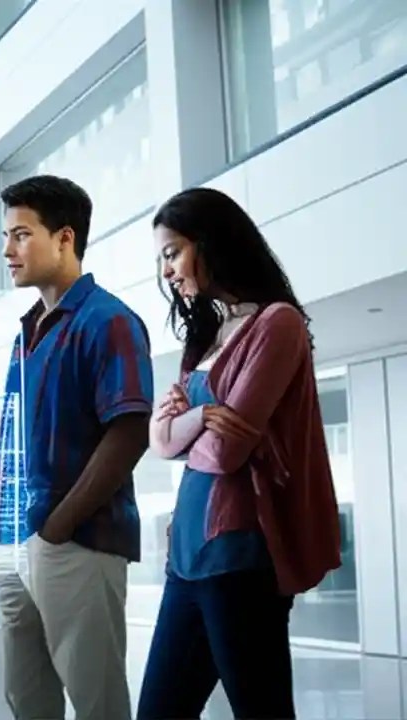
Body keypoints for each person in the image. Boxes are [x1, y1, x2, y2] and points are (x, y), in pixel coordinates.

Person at [137, 188, 341, 719]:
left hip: (238, 555)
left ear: (210, 243)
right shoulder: (206, 337)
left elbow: (227, 453)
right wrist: (203, 416)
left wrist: (192, 427)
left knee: (262, 710)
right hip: (185, 556)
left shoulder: (278, 324)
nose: (166, 271)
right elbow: (160, 443)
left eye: (172, 252)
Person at [0, 175, 153, 720]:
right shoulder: (27, 332)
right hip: (18, 543)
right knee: (27, 699)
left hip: (78, 542)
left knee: (97, 702)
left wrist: (57, 527)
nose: (7, 250)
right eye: (6, 236)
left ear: (64, 238)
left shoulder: (108, 321)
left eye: (20, 235)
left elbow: (130, 430)